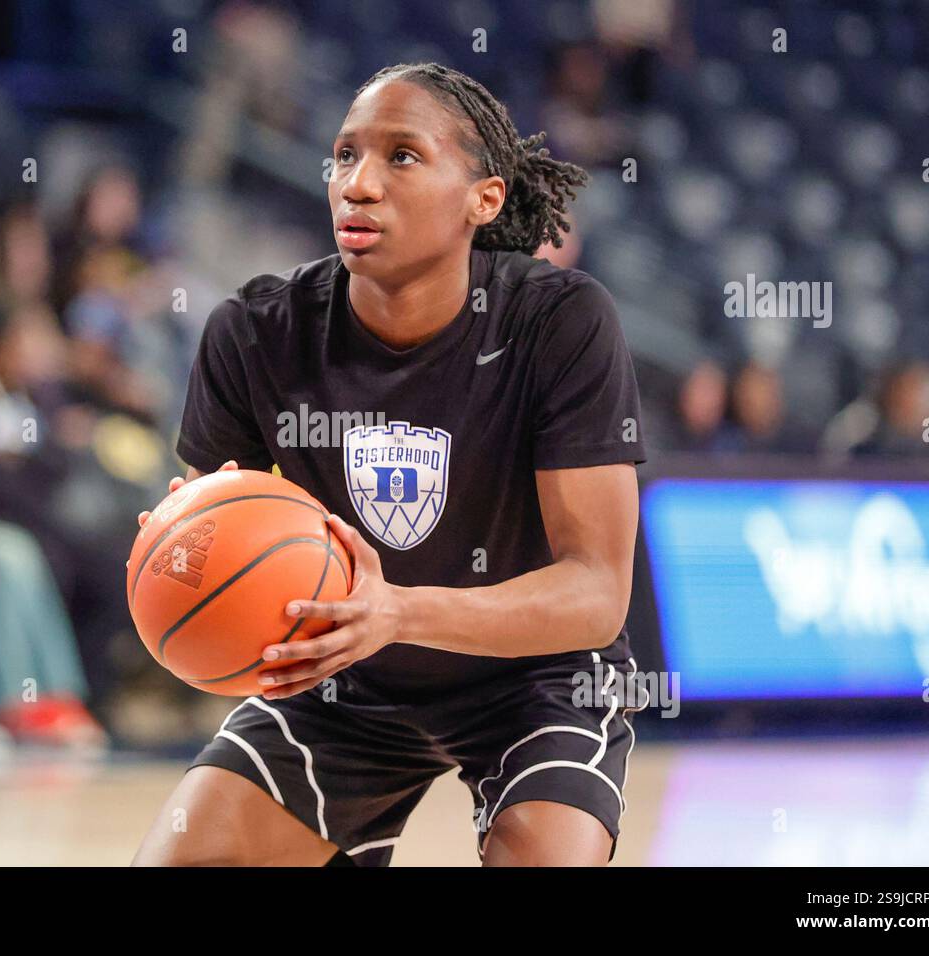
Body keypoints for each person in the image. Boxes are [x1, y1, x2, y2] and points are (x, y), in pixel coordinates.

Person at [134, 62, 648, 867]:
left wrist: (398, 612)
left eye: (401, 156)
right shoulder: (256, 331)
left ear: (485, 198)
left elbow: (596, 595)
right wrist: (183, 547)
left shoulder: (561, 321)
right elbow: (215, 527)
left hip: (532, 673)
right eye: (344, 156)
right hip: (345, 674)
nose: (357, 184)